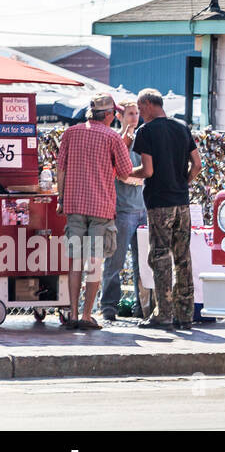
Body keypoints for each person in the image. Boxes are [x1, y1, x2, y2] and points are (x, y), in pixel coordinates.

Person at [54, 93, 134, 330]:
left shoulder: (71, 133)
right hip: (101, 207)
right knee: (94, 262)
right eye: (115, 113)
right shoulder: (112, 137)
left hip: (75, 206)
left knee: (75, 261)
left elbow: (61, 169)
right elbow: (124, 172)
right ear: (109, 115)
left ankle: (72, 313)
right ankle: (87, 316)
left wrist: (61, 199)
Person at [132, 88, 201, 331]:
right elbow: (198, 164)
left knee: (160, 256)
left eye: (141, 109)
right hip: (182, 202)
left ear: (150, 104)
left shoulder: (146, 131)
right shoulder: (182, 128)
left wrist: (126, 175)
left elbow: (147, 171)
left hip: (159, 202)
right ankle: (185, 315)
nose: (140, 114)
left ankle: (163, 313)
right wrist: (183, 182)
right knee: (183, 258)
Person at [99, 99, 148, 322]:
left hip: (143, 209)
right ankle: (109, 306)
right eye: (130, 113)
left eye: (136, 113)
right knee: (115, 261)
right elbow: (120, 172)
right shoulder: (118, 141)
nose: (134, 117)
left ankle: (142, 306)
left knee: (142, 262)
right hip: (123, 209)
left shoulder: (143, 139)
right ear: (119, 116)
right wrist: (139, 178)